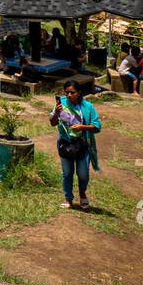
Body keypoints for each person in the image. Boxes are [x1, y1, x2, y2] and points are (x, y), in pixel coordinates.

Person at [50, 80, 101, 210]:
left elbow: (97, 127)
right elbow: (53, 123)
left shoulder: (87, 107)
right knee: (67, 173)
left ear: (79, 93)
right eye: (66, 92)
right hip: (65, 144)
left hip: (83, 145)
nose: (68, 95)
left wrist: (82, 127)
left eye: (72, 92)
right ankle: (68, 199)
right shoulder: (60, 103)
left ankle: (82, 193)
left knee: (83, 174)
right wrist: (56, 112)